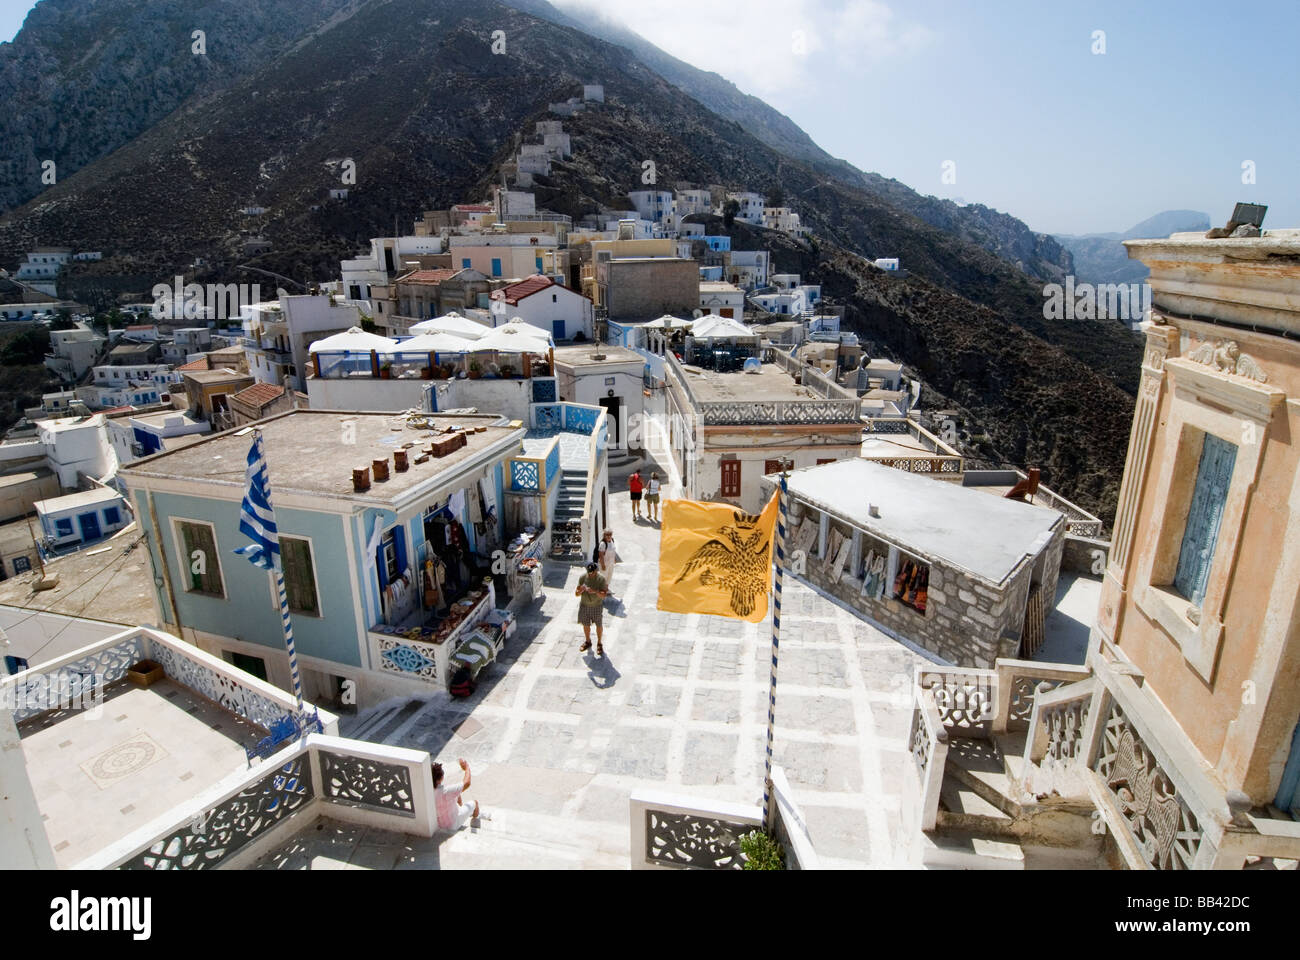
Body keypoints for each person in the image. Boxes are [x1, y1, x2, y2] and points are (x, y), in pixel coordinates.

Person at [433, 757, 481, 832]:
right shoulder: (445, 791)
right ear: (441, 778)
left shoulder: (428, 791)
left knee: (457, 794)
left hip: (438, 823)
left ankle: (461, 809)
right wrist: (467, 768)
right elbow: (467, 783)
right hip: (453, 824)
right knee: (475, 803)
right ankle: (476, 818)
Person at [575, 561, 608, 657]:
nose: (590, 574)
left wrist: (595, 591)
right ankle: (588, 641)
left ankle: (599, 643)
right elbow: (576, 593)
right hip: (584, 605)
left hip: (596, 606)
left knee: (599, 625)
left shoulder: (601, 579)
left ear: (596, 571)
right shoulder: (582, 578)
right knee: (585, 625)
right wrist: (580, 590)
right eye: (588, 572)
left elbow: (604, 595)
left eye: (592, 572)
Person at [597, 528, 618, 599]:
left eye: (610, 534)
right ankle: (601, 592)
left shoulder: (612, 541)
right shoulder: (603, 544)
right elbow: (601, 555)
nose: (609, 536)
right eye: (607, 535)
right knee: (603, 578)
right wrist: (603, 565)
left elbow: (613, 551)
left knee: (609, 577)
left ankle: (606, 589)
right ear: (604, 535)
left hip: (611, 564)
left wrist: (614, 559)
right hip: (605, 564)